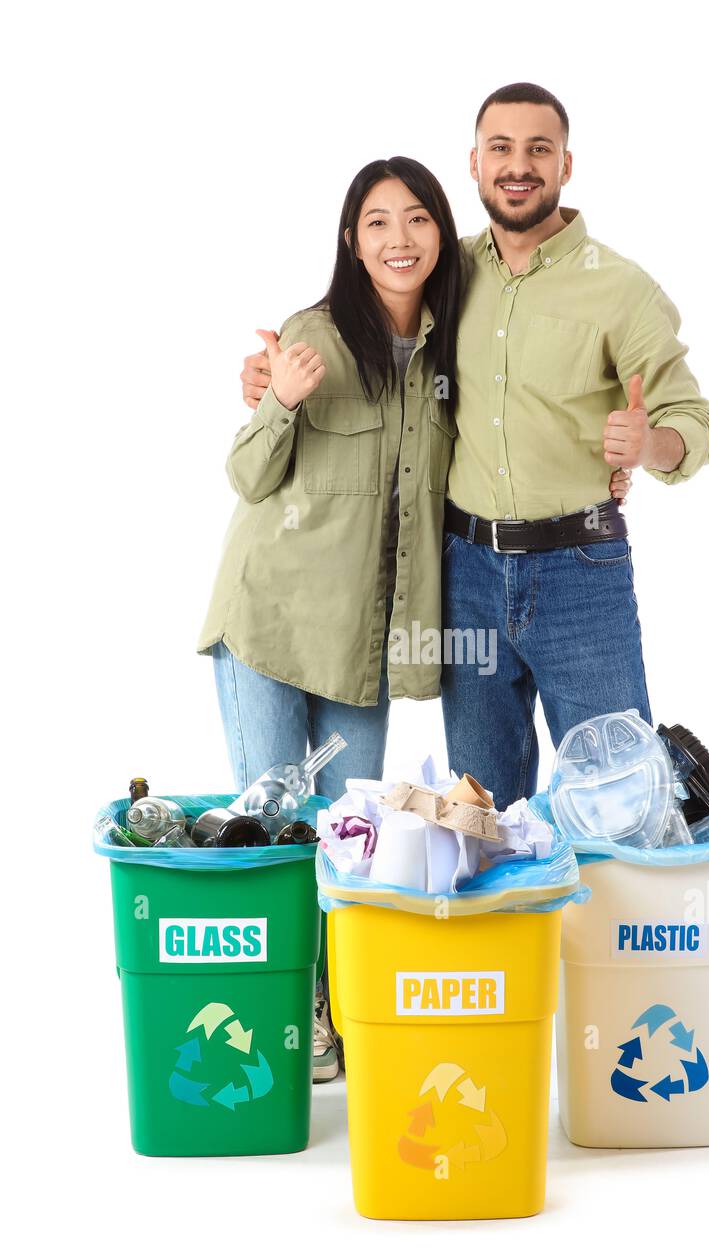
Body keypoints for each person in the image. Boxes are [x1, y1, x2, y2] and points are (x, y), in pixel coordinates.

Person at [240, 85, 709, 811]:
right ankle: (503, 926)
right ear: (474, 163)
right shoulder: (444, 273)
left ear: (565, 164)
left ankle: (619, 914)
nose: (517, 166)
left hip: (578, 572)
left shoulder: (620, 289)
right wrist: (270, 379)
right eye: (501, 148)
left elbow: (695, 421)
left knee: (620, 801)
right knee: (479, 813)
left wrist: (649, 443)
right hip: (462, 574)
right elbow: (364, 322)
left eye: (537, 150)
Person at [197, 157, 463, 1080]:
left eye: (417, 218)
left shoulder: (452, 349)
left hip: (361, 645)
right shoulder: (312, 336)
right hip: (271, 622)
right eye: (377, 221)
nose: (399, 239)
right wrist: (278, 398)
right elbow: (247, 477)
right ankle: (292, 1021)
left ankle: (345, 1006)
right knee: (276, 833)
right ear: (352, 240)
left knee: (347, 840)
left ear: (440, 235)